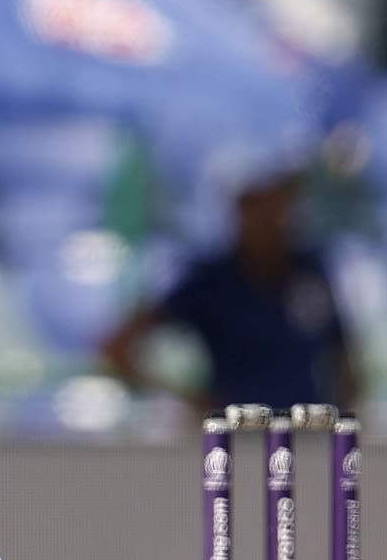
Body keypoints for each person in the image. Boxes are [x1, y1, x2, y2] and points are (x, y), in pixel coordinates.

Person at [100, 165, 359, 419]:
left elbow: (344, 359)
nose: (272, 215)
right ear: (240, 208)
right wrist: (189, 400)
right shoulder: (212, 281)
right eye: (261, 203)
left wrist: (342, 418)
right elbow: (118, 346)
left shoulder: (309, 271)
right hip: (236, 441)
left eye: (281, 201)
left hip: (305, 437)